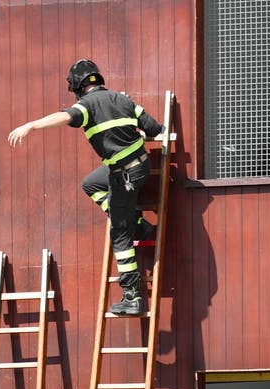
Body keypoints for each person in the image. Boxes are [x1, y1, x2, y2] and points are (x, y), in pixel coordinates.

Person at [8, 59, 164, 316]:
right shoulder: (123, 100)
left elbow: (66, 116)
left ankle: (132, 296)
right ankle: (139, 224)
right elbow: (155, 129)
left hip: (124, 174)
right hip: (137, 166)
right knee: (91, 184)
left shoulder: (86, 106)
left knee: (120, 232)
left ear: (78, 86)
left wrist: (31, 126)